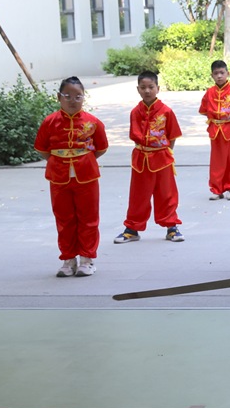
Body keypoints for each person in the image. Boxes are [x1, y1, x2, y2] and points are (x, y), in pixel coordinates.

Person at [34, 77, 110, 277]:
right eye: (68, 96)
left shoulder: (93, 123)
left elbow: (101, 148)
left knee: (88, 218)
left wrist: (82, 159)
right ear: (59, 97)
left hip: (86, 175)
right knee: (64, 218)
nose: (73, 100)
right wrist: (59, 160)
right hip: (58, 176)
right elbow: (43, 150)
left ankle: (87, 259)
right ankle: (68, 259)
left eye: (78, 96)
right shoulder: (49, 122)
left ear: (84, 98)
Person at [113, 71, 184, 244]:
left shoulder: (166, 111)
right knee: (138, 195)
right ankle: (132, 229)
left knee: (167, 194)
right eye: (143, 87)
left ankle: (171, 227)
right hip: (141, 159)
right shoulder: (135, 112)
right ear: (138, 89)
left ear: (157, 88)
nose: (147, 91)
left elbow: (172, 136)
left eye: (151, 87)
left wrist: (166, 153)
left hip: (162, 158)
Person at [198, 59, 230, 201]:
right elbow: (204, 110)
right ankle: (217, 189)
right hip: (215, 129)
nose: (219, 76)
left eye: (222, 73)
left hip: (229, 129)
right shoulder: (209, 92)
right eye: (216, 73)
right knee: (216, 160)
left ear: (227, 73)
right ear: (212, 75)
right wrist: (215, 118)